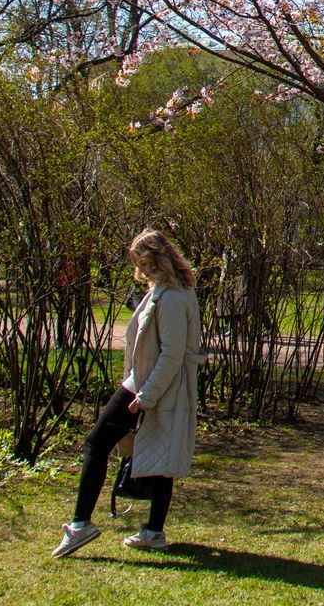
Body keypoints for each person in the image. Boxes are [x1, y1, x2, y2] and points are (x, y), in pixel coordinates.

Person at [53, 229, 202, 558]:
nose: (141, 270)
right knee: (160, 455)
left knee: (96, 443)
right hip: (148, 382)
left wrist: (146, 396)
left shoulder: (173, 297)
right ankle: (153, 532)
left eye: (144, 262)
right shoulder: (166, 290)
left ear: (157, 259)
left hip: (150, 385)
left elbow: (172, 355)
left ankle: (80, 524)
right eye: (139, 264)